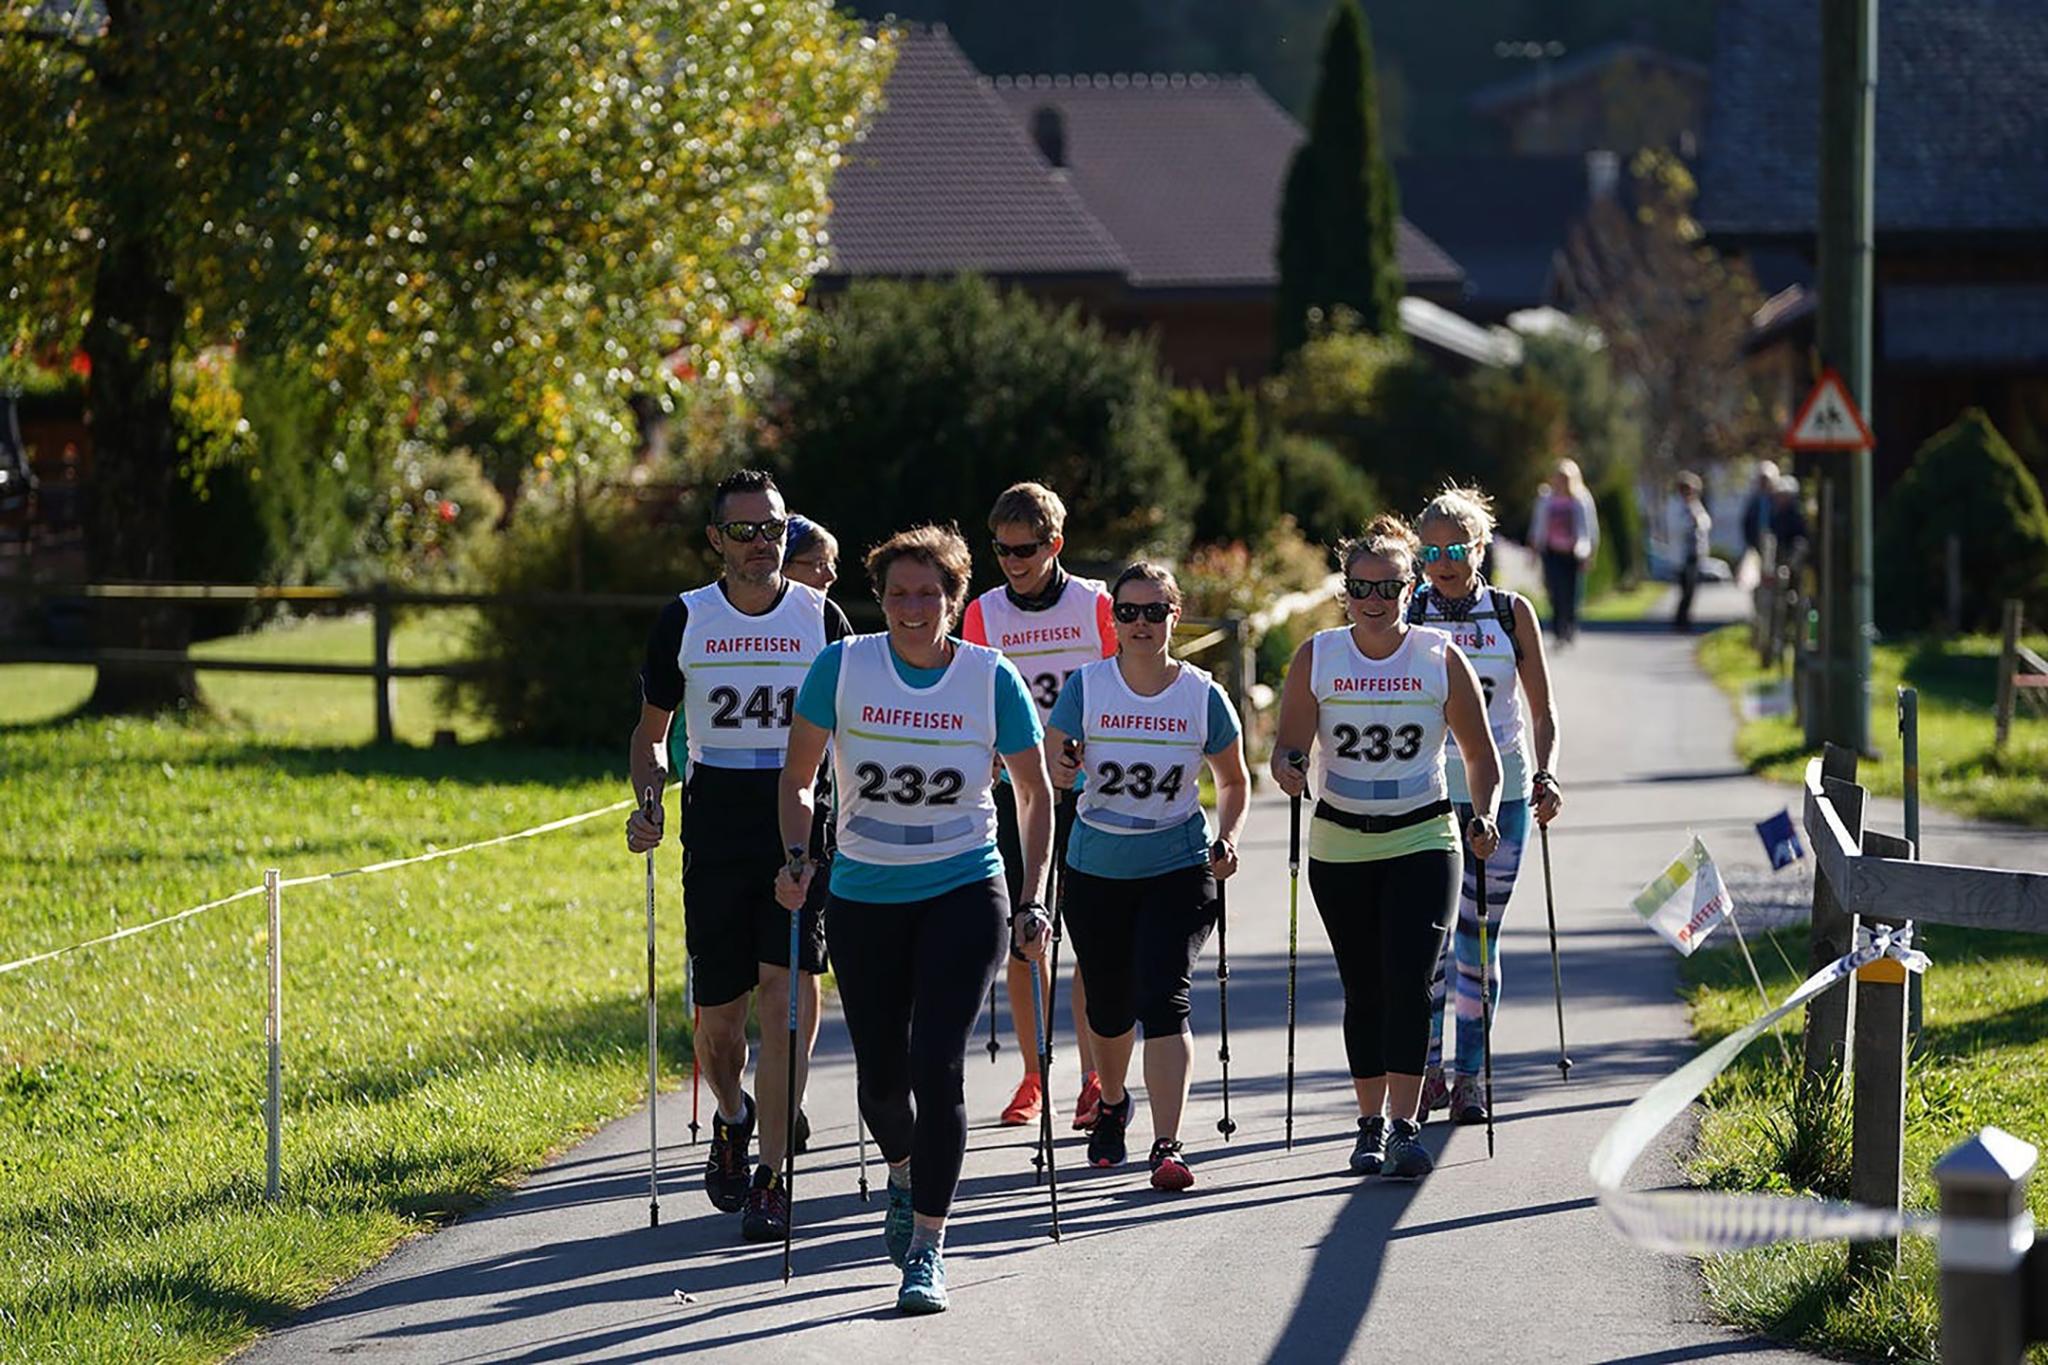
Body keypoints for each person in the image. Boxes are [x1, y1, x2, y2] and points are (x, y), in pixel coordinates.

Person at [776, 523, 1055, 1314]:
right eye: (897, 592)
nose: (910, 606)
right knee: (880, 1081)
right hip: (864, 895)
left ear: (953, 598)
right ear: (880, 598)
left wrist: (1033, 897)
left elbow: (1034, 797)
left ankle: (929, 1244)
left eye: (927, 592)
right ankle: (903, 1168)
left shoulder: (988, 676)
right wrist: (798, 854)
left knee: (939, 1064)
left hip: (966, 888)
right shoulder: (843, 666)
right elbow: (800, 778)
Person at [625, 469, 850, 1243]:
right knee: (720, 1025)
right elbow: (653, 732)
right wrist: (650, 798)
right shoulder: (684, 617)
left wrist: (854, 816)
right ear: (716, 539)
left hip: (798, 819)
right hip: (717, 815)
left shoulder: (822, 617)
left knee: (785, 1005)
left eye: (775, 529)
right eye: (746, 531)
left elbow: (850, 731)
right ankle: (733, 1113)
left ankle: (775, 1178)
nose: (764, 545)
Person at [1270, 514, 1501, 1181]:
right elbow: (1289, 742)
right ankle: (1369, 1123)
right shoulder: (1320, 655)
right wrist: (1287, 766)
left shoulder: (1437, 656)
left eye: (1388, 587)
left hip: (1425, 836)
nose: (1374, 601)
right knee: (1362, 988)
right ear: (1345, 590)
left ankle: (1405, 1126)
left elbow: (1479, 755)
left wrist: (1482, 811)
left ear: (1409, 587)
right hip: (1341, 843)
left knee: (1409, 982)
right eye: (1361, 588)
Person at [1040, 563, 1250, 1191]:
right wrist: (1065, 764)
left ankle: (1168, 1143)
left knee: (1164, 995)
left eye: (1153, 611)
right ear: (1113, 619)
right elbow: (1054, 763)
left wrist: (1229, 838)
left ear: (1173, 617)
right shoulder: (1088, 686)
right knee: (1107, 1006)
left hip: (1178, 865)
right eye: (1127, 612)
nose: (1140, 623)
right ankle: (1110, 1103)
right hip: (1097, 865)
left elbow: (1234, 779)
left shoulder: (1201, 694)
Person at [1406, 487, 1565, 1125]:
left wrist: (1550, 773)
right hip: (1423, 795)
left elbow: (1543, 709)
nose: (1443, 562)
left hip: (1505, 791)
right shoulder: (1406, 608)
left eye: (1456, 548)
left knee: (1478, 940)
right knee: (1428, 948)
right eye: (1431, 550)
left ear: (1480, 548)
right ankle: (1427, 1073)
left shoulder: (1509, 612)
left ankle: (1470, 1076)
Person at [962, 482, 1116, 1131]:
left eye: (1025, 549)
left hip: (1086, 789)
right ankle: (1034, 1074)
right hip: (1014, 790)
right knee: (1025, 934)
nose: (1012, 561)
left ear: (1055, 544)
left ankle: (1092, 1076)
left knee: (1085, 938)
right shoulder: (983, 611)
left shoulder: (1094, 603)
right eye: (1001, 549)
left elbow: (1119, 682)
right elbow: (967, 689)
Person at [1527, 460, 1599, 645]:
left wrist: (1591, 554)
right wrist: (1533, 551)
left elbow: (1591, 528)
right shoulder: (1546, 499)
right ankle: (1558, 629)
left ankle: (1570, 625)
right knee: (1554, 590)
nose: (1562, 481)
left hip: (1574, 552)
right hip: (1551, 551)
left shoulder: (1581, 499)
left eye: (1565, 478)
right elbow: (1537, 526)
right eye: (1559, 477)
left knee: (1572, 592)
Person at [1672, 471, 1712, 632]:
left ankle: (1685, 619)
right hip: (1682, 554)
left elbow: (1706, 524)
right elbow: (1675, 528)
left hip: (1695, 553)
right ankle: (1680, 620)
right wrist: (1689, 523)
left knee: (1692, 590)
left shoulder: (1697, 507)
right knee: (1685, 589)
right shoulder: (1675, 506)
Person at [783, 515, 840, 594]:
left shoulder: (827, 606)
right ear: (782, 565)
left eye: (832, 565)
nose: (832, 576)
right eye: (821, 564)